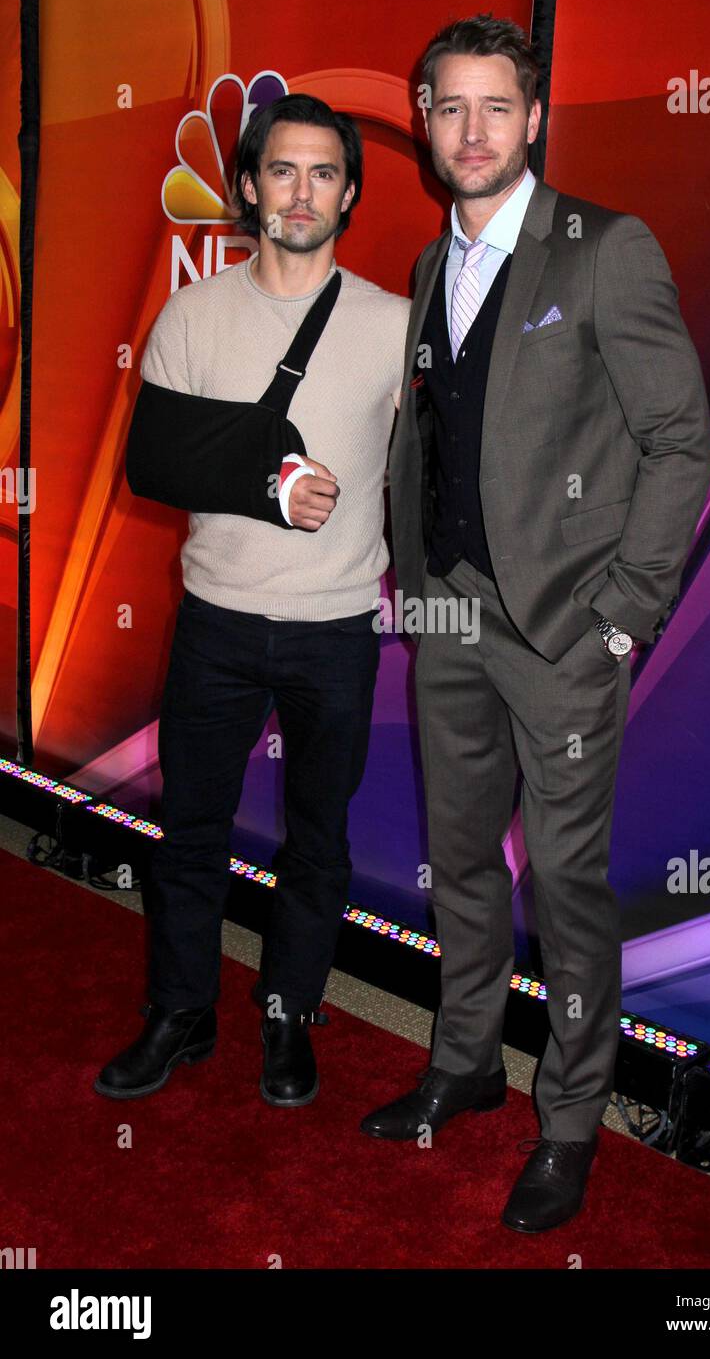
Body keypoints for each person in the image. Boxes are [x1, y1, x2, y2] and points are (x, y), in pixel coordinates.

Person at [360, 16, 710, 1233]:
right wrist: (410, 580)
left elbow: (678, 442)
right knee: (459, 861)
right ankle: (465, 1062)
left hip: (563, 633)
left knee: (562, 885)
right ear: (419, 115)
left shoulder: (603, 250)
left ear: (534, 118)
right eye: (449, 107)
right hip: (446, 613)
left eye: (495, 107)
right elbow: (431, 436)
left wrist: (621, 616)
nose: (471, 131)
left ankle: (567, 1123)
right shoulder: (425, 264)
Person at [95, 94, 409, 1109]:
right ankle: (182, 1011)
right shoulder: (193, 313)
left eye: (323, 173)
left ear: (349, 193)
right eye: (282, 170)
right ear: (246, 186)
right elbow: (150, 462)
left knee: (317, 838)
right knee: (191, 826)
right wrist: (270, 485)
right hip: (217, 619)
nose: (302, 191)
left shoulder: (392, 326)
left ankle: (288, 1014)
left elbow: (435, 475)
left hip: (334, 631)